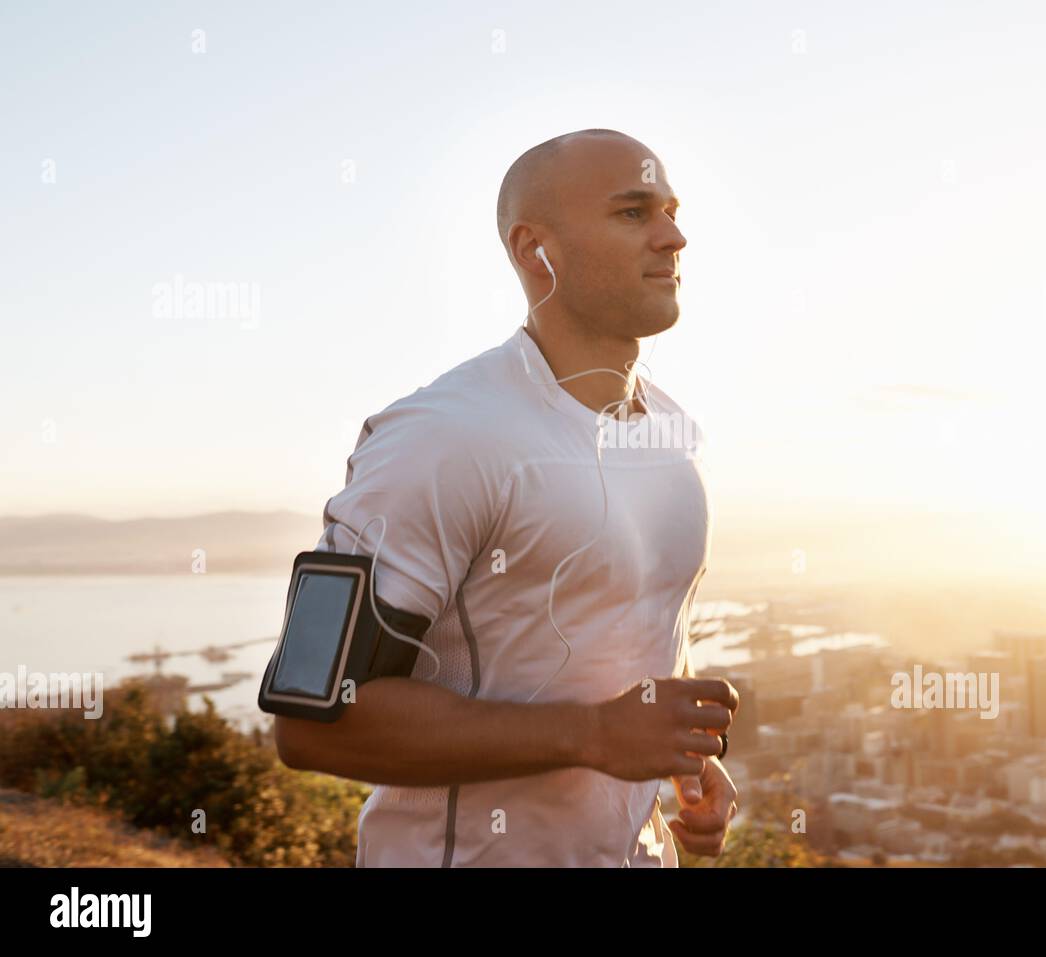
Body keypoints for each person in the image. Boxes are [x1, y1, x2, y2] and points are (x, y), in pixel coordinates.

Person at [274, 128, 740, 867]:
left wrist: (679, 758)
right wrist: (593, 736)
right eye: (633, 213)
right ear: (535, 250)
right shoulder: (440, 436)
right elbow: (312, 723)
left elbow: (631, 645)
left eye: (673, 210)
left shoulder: (673, 434)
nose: (674, 236)